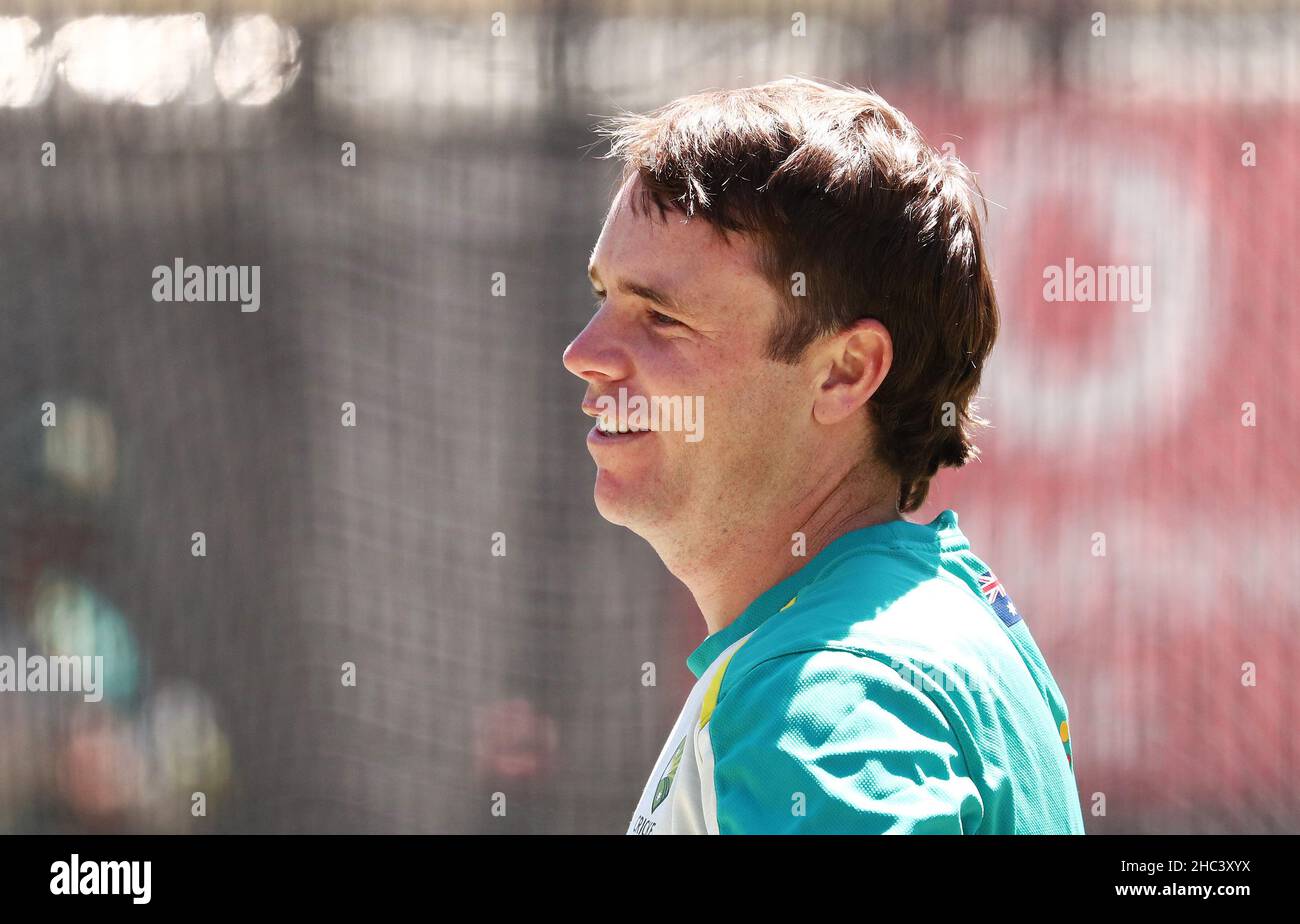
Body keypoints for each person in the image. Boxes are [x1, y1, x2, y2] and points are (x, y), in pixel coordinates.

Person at [562, 76, 1085, 834]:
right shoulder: (926, 614)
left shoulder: (825, 688)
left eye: (661, 317)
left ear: (843, 371)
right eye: (602, 298)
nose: (585, 354)